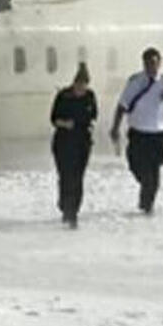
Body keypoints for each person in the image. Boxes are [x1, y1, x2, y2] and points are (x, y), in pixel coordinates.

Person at [109, 46, 163, 215]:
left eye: (154, 63)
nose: (151, 67)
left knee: (152, 172)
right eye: (148, 63)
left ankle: (147, 206)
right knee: (135, 165)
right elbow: (122, 105)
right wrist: (115, 127)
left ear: (160, 63)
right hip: (138, 133)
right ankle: (147, 194)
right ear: (143, 64)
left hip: (160, 134)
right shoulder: (135, 81)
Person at [49, 62, 97, 227]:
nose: (81, 89)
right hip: (63, 142)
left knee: (77, 177)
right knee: (65, 176)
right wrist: (65, 123)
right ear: (74, 83)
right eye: (79, 85)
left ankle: (73, 212)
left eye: (84, 85)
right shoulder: (64, 96)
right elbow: (53, 119)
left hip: (82, 142)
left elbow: (94, 116)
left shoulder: (90, 96)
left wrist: (91, 125)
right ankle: (65, 206)